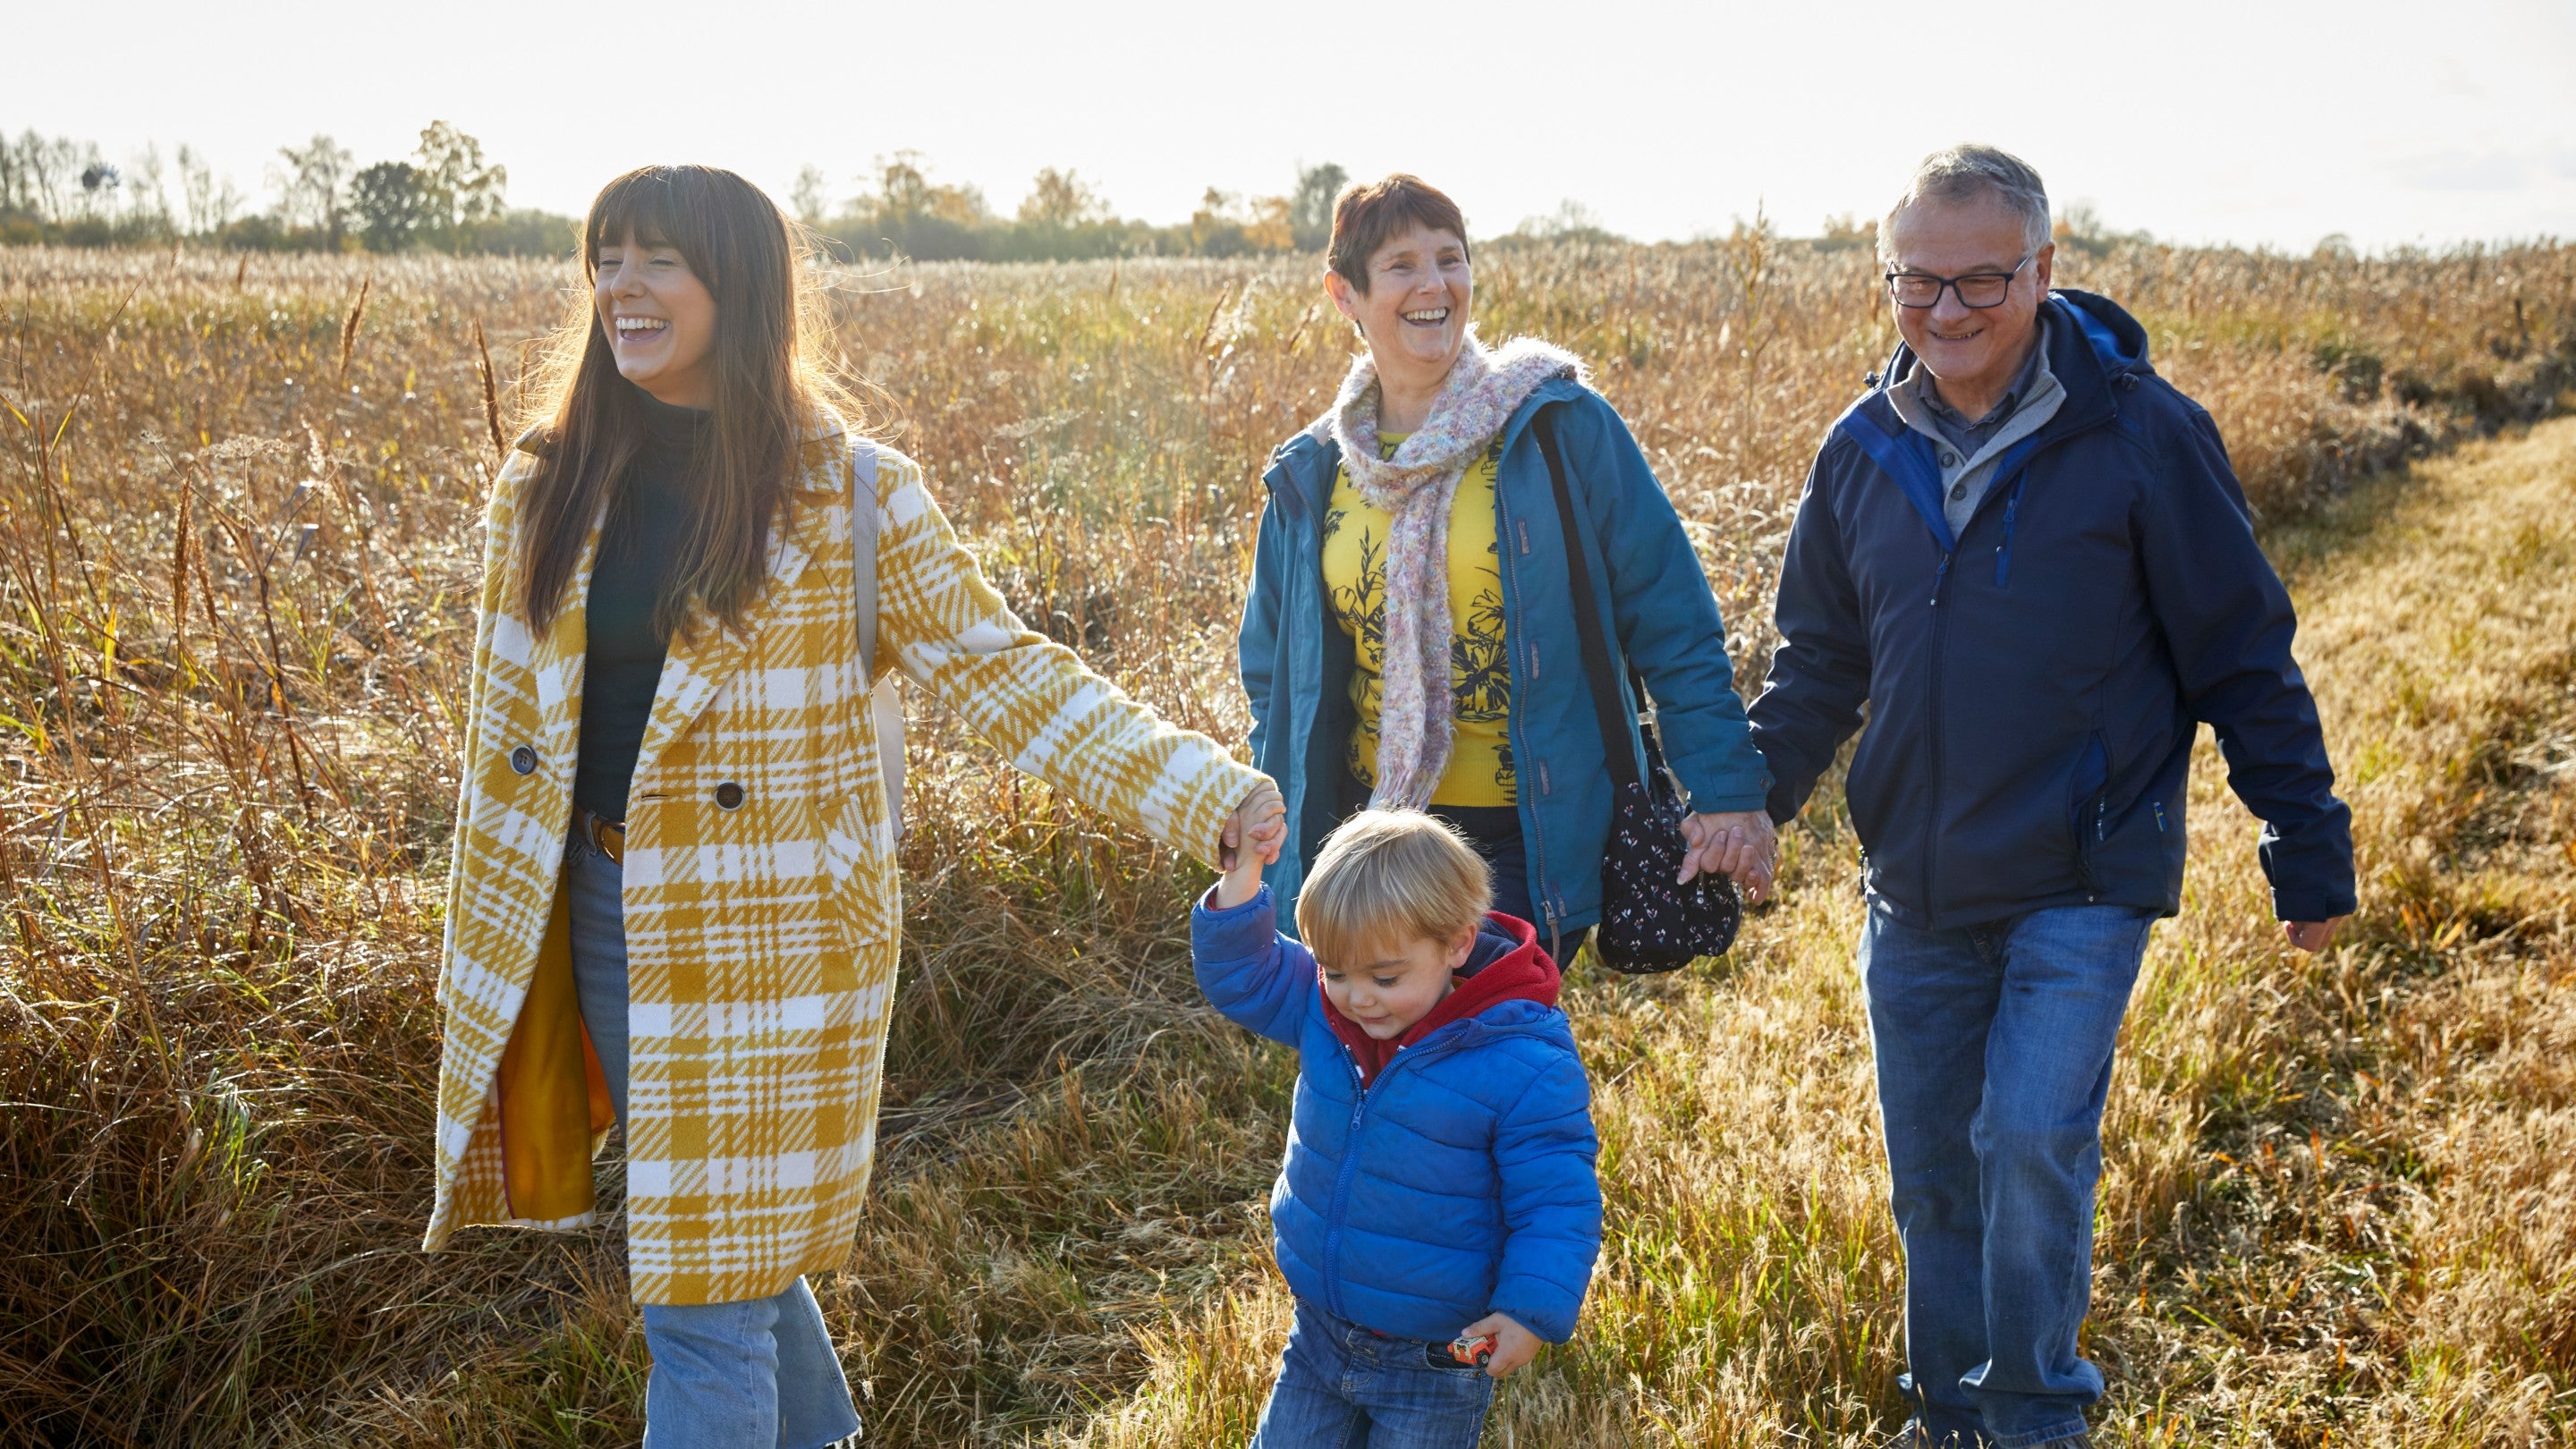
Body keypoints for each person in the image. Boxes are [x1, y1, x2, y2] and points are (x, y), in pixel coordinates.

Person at [419, 165, 1283, 1449]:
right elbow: (503, 728)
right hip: (594, 912)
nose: (622, 287)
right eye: (607, 258)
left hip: (772, 938)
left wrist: (1201, 791)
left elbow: (1003, 676)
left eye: (660, 260)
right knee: (724, 1240)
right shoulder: (548, 482)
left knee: (699, 1289)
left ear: (741, 287)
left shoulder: (852, 493)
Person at [1746, 145, 2357, 1449]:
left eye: (1983, 280)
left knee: (2028, 1141)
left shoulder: (2142, 434)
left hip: (2084, 871)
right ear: (1886, 278)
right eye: (1918, 284)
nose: (1950, 312)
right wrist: (1745, 803)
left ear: (2046, 265)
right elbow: (1820, 666)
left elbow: (2241, 651)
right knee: (1932, 1176)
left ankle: (2030, 1417)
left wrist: (2306, 844)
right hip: (1912, 883)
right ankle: (1948, 1413)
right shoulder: (1858, 451)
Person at [1238, 174, 1775, 961]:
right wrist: (1267, 804)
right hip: (1364, 832)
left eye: (1450, 259)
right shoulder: (1313, 471)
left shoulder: (1557, 429)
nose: (1434, 284)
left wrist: (1726, 792)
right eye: (1401, 265)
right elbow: (1273, 672)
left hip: (1522, 839)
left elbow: (1672, 619)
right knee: (1374, 1051)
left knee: (1467, 1045)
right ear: (1344, 294)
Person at [1192, 799, 1600, 1446]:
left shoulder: (1520, 1061)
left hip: (1436, 1355)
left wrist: (1529, 1311)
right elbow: (1246, 973)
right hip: (1322, 1328)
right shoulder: (1326, 1010)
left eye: (1385, 977)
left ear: (1457, 943)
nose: (1357, 997)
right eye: (1335, 971)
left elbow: (1556, 1202)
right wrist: (1244, 875)